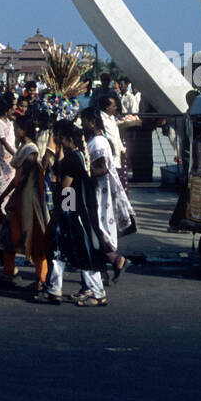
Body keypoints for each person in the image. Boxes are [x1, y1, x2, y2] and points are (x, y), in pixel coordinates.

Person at [40, 119, 109, 305]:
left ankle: (96, 292)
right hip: (76, 211)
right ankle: (55, 289)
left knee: (76, 251)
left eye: (58, 136)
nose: (55, 139)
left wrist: (62, 213)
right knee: (64, 250)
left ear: (66, 137)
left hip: (75, 212)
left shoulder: (72, 158)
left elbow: (66, 188)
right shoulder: (77, 155)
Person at [0, 117, 49, 291]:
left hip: (29, 203)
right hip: (20, 200)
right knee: (8, 236)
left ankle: (41, 279)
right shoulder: (24, 149)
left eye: (16, 128)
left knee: (35, 239)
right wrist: (6, 196)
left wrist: (9, 196)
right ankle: (8, 272)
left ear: (23, 130)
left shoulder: (30, 150)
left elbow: (25, 179)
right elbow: (18, 179)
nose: (14, 131)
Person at [83, 110, 132, 288]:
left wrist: (85, 174)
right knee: (95, 232)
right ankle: (103, 272)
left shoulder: (97, 142)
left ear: (92, 122)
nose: (82, 125)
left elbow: (101, 168)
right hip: (98, 193)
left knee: (97, 231)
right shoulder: (97, 140)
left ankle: (115, 260)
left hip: (99, 194)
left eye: (84, 121)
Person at [0, 92, 17, 201]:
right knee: (2, 193)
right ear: (7, 110)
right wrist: (17, 155)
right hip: (1, 163)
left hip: (10, 162)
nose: (15, 108)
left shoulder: (9, 122)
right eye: (13, 107)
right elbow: (4, 143)